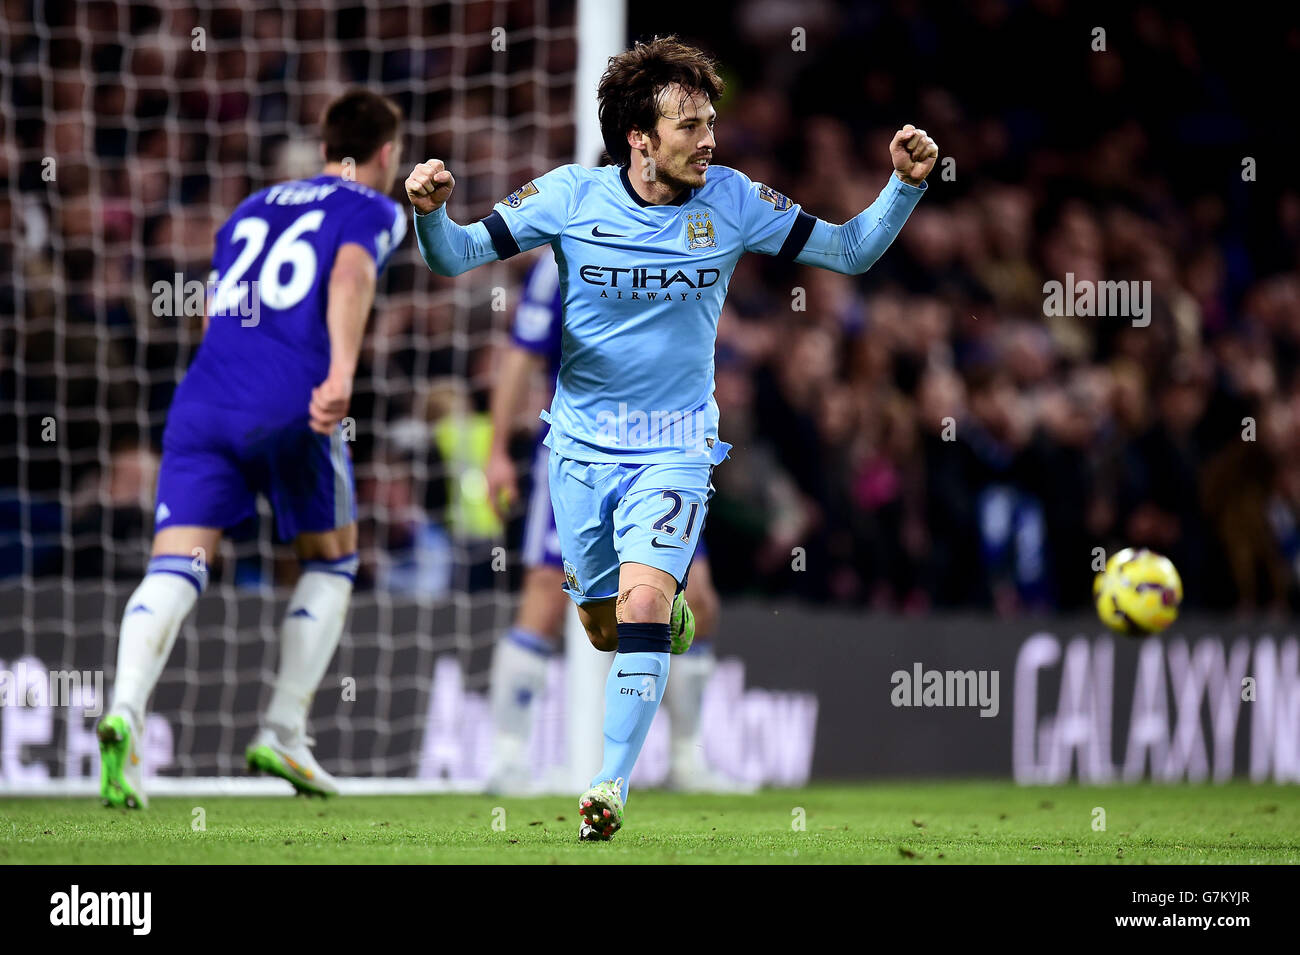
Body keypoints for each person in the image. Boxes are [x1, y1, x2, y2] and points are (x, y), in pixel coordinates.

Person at [407, 36, 935, 840]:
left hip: (677, 444)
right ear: (640, 139)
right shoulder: (568, 197)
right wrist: (432, 212)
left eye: (710, 121)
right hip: (580, 447)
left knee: (645, 598)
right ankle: (660, 622)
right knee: (599, 623)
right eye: (688, 124)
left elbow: (851, 249)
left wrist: (901, 186)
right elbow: (456, 258)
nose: (708, 138)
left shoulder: (734, 200)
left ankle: (607, 789)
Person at [97, 89, 407, 807]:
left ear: (327, 144)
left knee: (176, 562)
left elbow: (214, 308)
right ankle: (282, 729)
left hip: (205, 399)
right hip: (293, 401)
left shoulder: (252, 207)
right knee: (333, 557)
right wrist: (341, 373)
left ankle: (123, 710)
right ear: (384, 154)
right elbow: (353, 273)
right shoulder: (373, 208)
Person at [485, 250, 734, 795]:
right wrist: (497, 447)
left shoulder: (685, 241)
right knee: (551, 599)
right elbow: (522, 353)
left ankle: (688, 759)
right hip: (585, 456)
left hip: (669, 452)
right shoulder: (563, 259)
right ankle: (507, 759)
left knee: (702, 599)